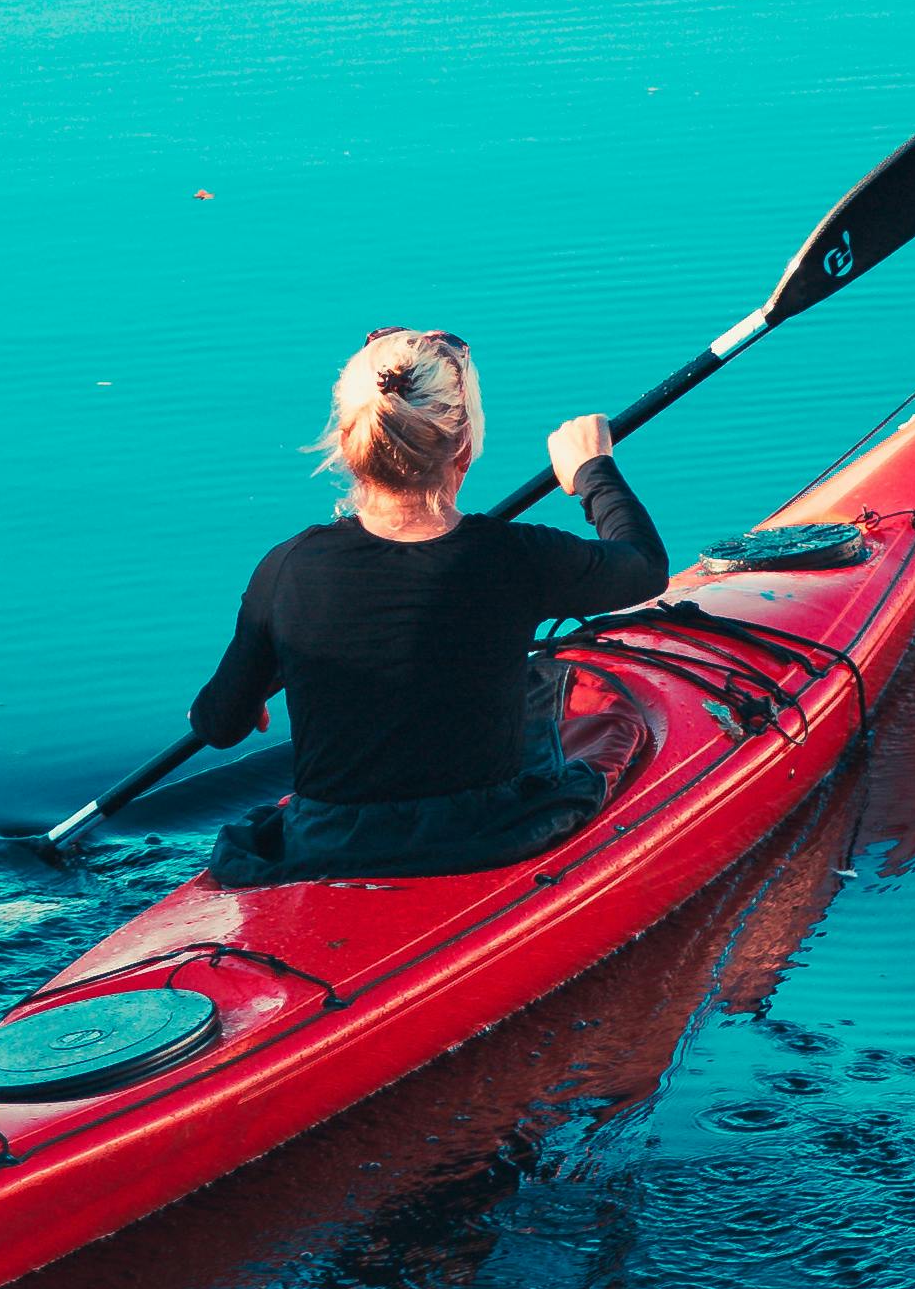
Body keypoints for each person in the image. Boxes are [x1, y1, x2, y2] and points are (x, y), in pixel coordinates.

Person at [189, 323, 671, 886]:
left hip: (326, 844)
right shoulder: (517, 557)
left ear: (347, 443)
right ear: (463, 447)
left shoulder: (286, 570)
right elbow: (644, 566)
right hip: (488, 833)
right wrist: (593, 471)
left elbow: (216, 726)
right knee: (543, 684)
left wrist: (265, 678)